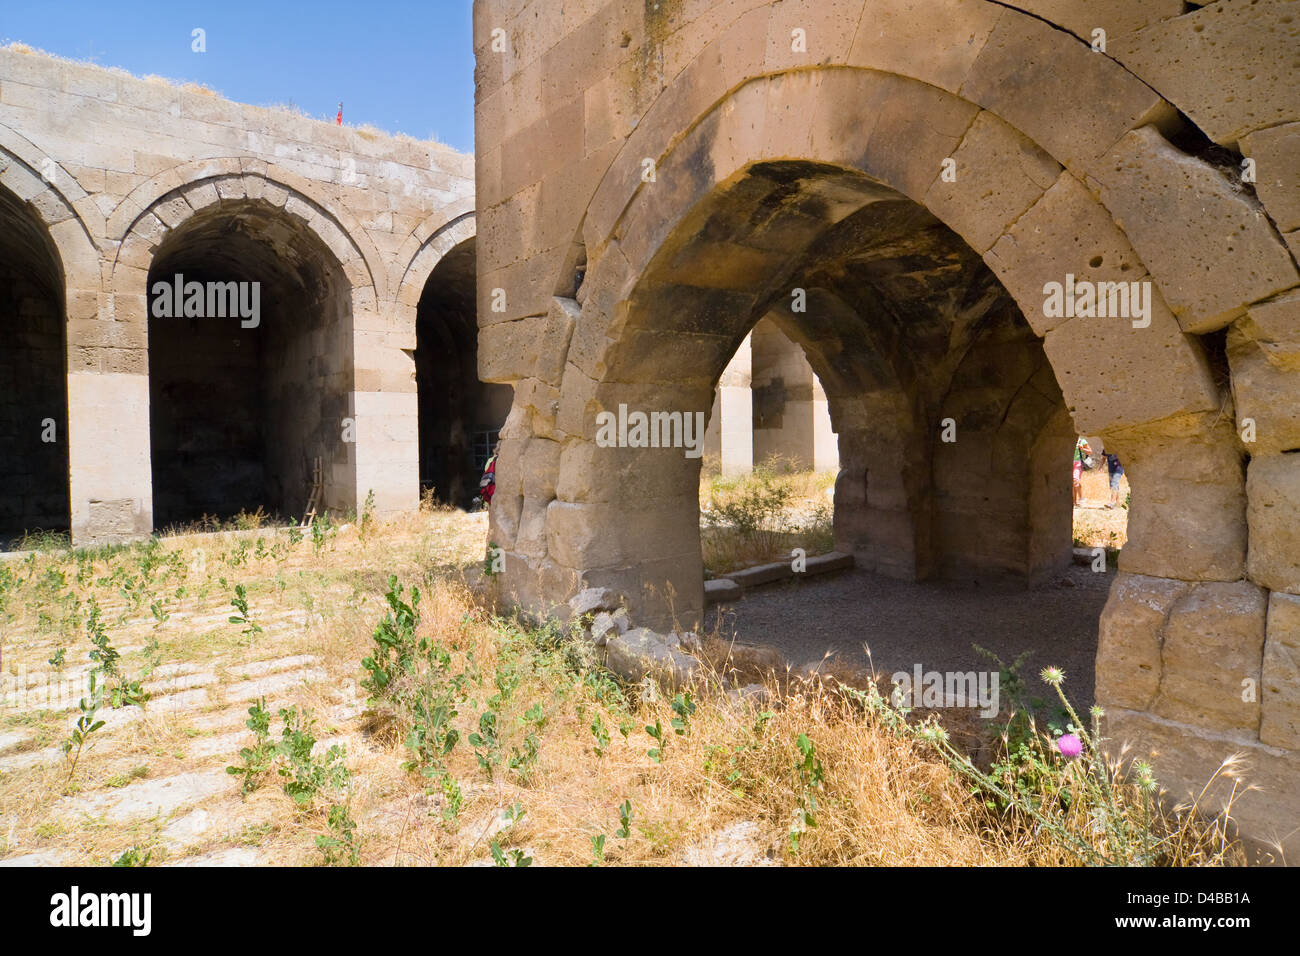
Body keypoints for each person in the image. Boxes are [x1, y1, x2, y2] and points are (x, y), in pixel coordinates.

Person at [476, 444, 499, 510]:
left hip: (490, 482)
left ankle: (486, 507)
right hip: (495, 483)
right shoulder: (496, 460)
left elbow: (486, 471)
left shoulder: (489, 460)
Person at [1073, 437, 1093, 507]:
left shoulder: (1082, 441)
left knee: (1075, 480)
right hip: (1069, 463)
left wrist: (1082, 448)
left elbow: (1090, 451)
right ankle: (1074, 502)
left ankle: (1082, 498)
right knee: (1073, 483)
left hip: (1078, 463)